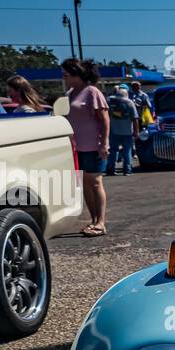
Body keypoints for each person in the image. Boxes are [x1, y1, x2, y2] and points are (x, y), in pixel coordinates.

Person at [61, 58, 110, 237]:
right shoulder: (70, 93)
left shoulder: (92, 92)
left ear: (76, 73)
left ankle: (101, 222)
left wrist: (104, 143)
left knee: (96, 182)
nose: (64, 76)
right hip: (76, 147)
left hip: (93, 145)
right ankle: (93, 220)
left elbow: (104, 119)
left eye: (66, 72)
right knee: (85, 184)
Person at [106, 85, 139, 176]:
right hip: (127, 131)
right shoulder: (129, 103)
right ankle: (127, 170)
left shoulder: (110, 101)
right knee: (127, 151)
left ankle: (110, 169)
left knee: (113, 151)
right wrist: (136, 131)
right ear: (126, 94)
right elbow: (135, 119)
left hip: (114, 131)